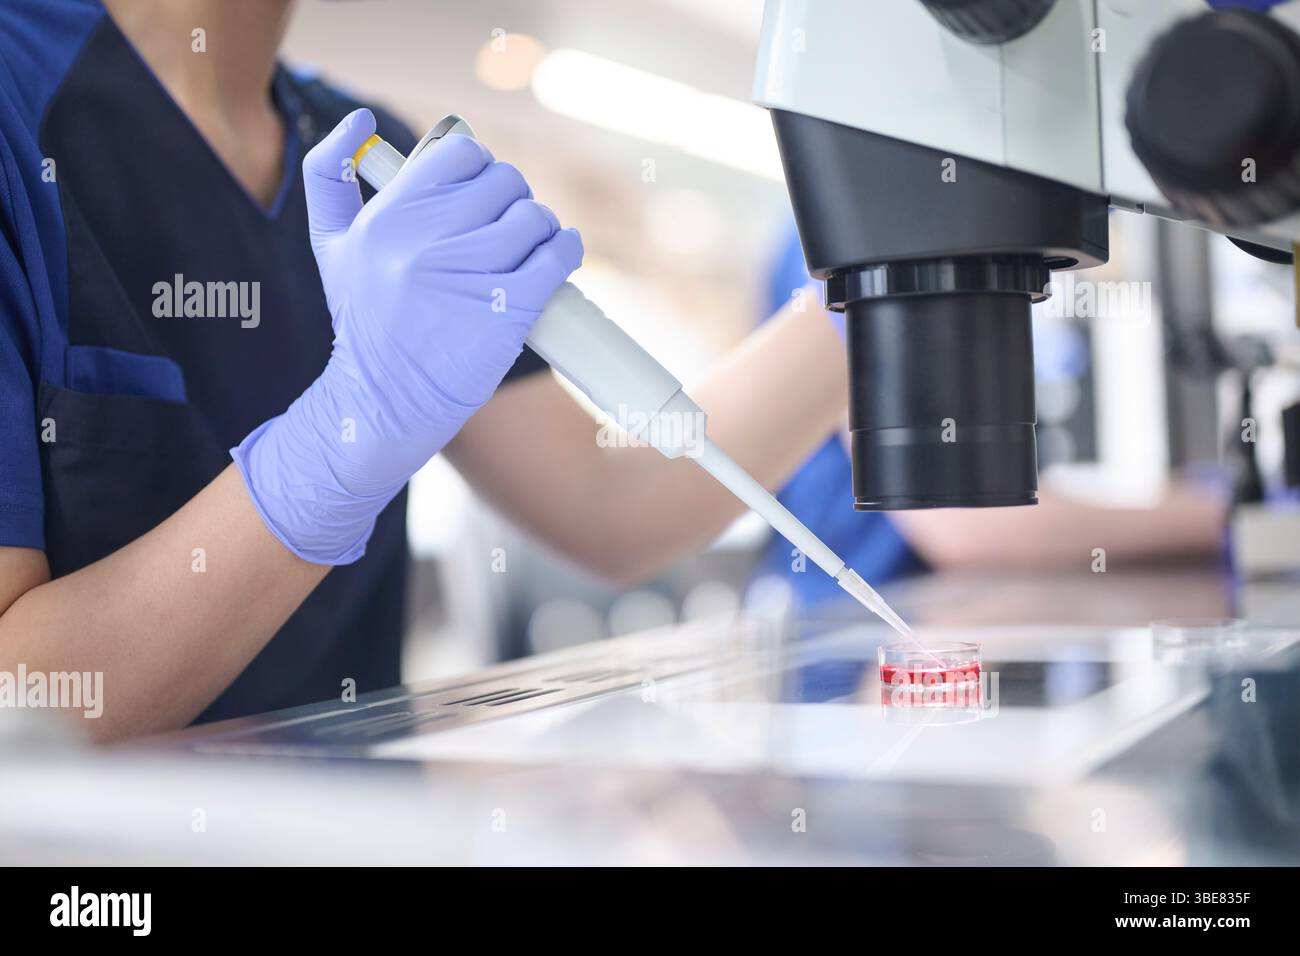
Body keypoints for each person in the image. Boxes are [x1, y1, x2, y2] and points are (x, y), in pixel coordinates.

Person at [0, 0, 849, 739]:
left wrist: (883, 284)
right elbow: (15, 697)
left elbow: (605, 503)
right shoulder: (18, 110)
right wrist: (341, 442)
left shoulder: (377, 159)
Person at [751, 227, 1229, 607]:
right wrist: (1221, 518)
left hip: (945, 616)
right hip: (857, 630)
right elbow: (959, 519)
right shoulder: (854, 229)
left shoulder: (970, 226)